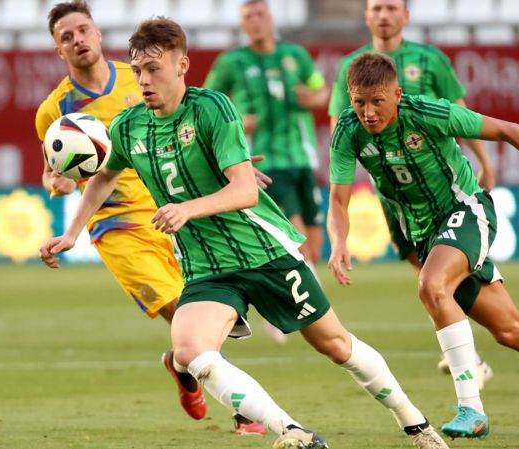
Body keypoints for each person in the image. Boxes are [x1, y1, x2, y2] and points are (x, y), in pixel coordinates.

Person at [40, 18, 450, 449]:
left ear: (182, 65)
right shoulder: (128, 126)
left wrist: (187, 209)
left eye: (154, 69)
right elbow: (105, 175)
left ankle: (416, 424)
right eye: (139, 69)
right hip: (207, 267)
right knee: (190, 352)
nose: (144, 80)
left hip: (263, 251)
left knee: (336, 345)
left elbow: (245, 190)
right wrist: (72, 232)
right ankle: (294, 432)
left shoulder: (212, 108)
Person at [327, 53, 519, 440]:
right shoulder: (347, 132)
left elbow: (510, 130)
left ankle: (471, 408)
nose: (368, 112)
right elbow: (338, 201)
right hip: (427, 234)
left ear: (398, 94)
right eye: (359, 101)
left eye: (377, 101)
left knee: (431, 286)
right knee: (512, 331)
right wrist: (339, 242)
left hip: (467, 209)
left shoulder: (430, 113)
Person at [34, 0, 269, 434]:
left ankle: (182, 366)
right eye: (66, 37)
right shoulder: (55, 110)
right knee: (185, 309)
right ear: (57, 50)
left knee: (215, 314)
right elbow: (53, 169)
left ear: (98, 34)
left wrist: (228, 162)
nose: (77, 40)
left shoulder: (141, 76)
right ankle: (245, 408)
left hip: (171, 212)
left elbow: (188, 127)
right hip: (116, 227)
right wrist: (60, 184)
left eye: (83, 30)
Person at [328, 0, 495, 383]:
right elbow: (344, 123)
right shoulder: (350, 67)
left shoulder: (429, 58)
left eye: (391, 7)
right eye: (376, 8)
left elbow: (459, 111)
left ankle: (465, 357)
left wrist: (484, 161)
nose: (383, 15)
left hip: (440, 188)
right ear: (367, 16)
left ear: (406, 15)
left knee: (439, 274)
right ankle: (465, 349)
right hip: (393, 197)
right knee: (424, 269)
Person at [204, 0, 330, 347]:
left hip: (303, 159)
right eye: (248, 17)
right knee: (298, 236)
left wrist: (314, 98)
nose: (255, 22)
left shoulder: (296, 56)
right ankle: (306, 315)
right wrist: (235, 121)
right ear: (242, 25)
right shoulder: (232, 62)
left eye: (260, 14)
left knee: (314, 245)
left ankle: (282, 304)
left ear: (270, 18)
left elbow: (322, 90)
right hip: (264, 163)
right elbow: (206, 104)